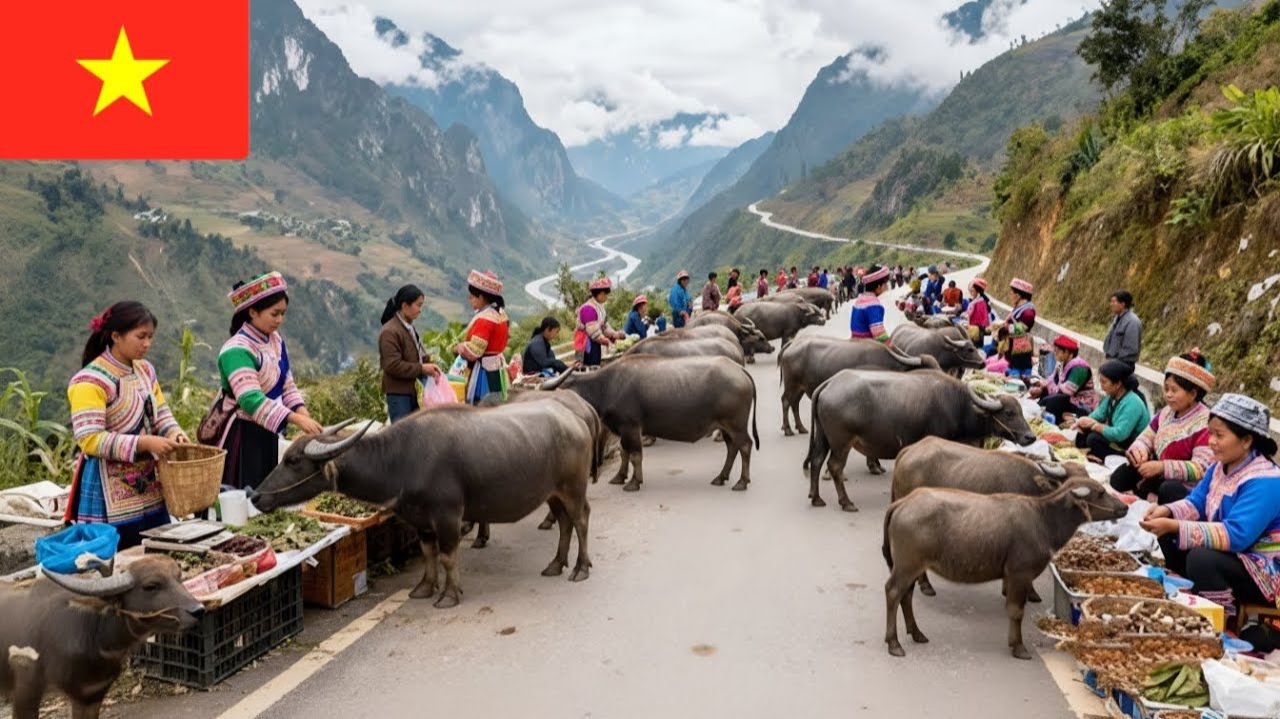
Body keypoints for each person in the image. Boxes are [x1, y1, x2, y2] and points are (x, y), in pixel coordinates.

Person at [1139, 394, 1280, 625]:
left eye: (1219, 435)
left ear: (1246, 440)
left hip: (1263, 569)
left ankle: (1223, 619)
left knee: (1201, 558)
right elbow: (1196, 502)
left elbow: (1236, 536)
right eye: (1210, 433)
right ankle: (1188, 587)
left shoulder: (1266, 481)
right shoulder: (1219, 467)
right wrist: (1167, 511)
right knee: (1171, 502)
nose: (1211, 441)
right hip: (1234, 555)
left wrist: (1174, 525)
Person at [65, 302, 188, 547]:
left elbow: (160, 411)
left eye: (150, 337)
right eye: (141, 337)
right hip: (108, 490)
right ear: (116, 336)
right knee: (117, 557)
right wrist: (144, 443)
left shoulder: (145, 371)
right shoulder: (90, 381)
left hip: (150, 484)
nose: (147, 344)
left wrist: (174, 432)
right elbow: (90, 439)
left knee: (156, 549)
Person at [217, 272, 321, 490]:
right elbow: (250, 399)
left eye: (283, 314)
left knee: (270, 488)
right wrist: (294, 418)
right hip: (243, 434)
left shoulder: (275, 341)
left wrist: (303, 413)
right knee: (246, 491)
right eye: (274, 314)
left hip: (269, 428)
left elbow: (286, 383)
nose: (279, 320)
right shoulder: (236, 350)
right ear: (253, 312)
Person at [1110, 355, 1215, 504]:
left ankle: (1150, 499)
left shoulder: (1205, 423)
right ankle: (1146, 496)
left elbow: (1200, 468)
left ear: (1193, 393)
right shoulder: (1166, 412)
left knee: (1169, 490)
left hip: (1184, 487)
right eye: (1166, 388)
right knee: (1119, 478)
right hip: (1158, 474)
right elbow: (1146, 436)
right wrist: (1139, 451)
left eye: (1174, 390)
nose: (1168, 395)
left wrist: (1162, 467)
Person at [378, 284, 441, 422]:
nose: (420, 310)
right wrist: (422, 368)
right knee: (402, 432)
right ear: (405, 306)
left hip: (412, 390)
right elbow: (392, 365)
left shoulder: (408, 327)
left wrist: (426, 360)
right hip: (399, 393)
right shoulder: (389, 332)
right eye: (418, 305)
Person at [1074, 359, 1151, 462]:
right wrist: (1082, 421)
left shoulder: (1133, 403)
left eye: (1104, 382)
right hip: (1118, 439)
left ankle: (1117, 458)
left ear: (1117, 384)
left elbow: (1120, 434)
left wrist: (1095, 426)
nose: (1101, 386)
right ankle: (1091, 452)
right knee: (1084, 430)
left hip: (1130, 446)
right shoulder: (1111, 396)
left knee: (1093, 438)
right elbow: (1099, 414)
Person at [456, 270, 511, 404]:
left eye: (472, 297)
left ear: (481, 297)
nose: (470, 300)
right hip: (498, 367)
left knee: (483, 403)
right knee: (498, 400)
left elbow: (475, 351)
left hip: (484, 372)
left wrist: (459, 347)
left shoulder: (485, 319)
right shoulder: (501, 314)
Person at [1030, 336, 1098, 423]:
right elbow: (1052, 381)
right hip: (1067, 398)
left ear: (1068, 353)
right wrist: (1041, 387)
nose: (1055, 353)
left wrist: (1045, 400)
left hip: (1081, 404)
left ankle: (1050, 422)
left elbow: (1067, 392)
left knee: (1052, 401)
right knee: (1045, 393)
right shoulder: (1061, 364)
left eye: (1058, 351)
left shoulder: (1079, 367)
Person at [577, 277, 625, 367]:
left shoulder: (599, 307)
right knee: (591, 366)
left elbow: (605, 326)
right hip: (587, 343)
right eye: (605, 294)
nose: (606, 297)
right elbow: (594, 334)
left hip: (595, 342)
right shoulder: (588, 308)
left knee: (596, 364)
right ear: (600, 294)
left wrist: (614, 334)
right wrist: (607, 341)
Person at [1005, 278, 1037, 381]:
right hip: (1014, 351)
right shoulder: (1019, 308)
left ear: (1018, 295)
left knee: (1018, 378)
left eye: (1012, 293)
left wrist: (1005, 328)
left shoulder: (1028, 312)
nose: (1010, 295)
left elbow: (1022, 330)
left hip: (1021, 352)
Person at [849, 265, 891, 343]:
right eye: (885, 284)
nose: (887, 287)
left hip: (854, 342)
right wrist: (891, 346)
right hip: (867, 345)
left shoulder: (860, 299)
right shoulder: (874, 305)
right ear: (879, 286)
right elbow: (879, 335)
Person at [1104, 290, 1142, 368]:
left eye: (1114, 302)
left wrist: (1116, 359)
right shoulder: (1117, 318)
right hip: (1113, 361)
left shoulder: (1132, 321)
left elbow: (1131, 349)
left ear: (1122, 304)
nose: (1111, 304)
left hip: (1124, 364)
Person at [966, 279, 992, 347]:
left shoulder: (979, 303)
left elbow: (972, 316)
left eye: (972, 291)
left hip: (977, 333)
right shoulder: (979, 301)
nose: (971, 293)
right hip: (977, 330)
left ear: (978, 292)